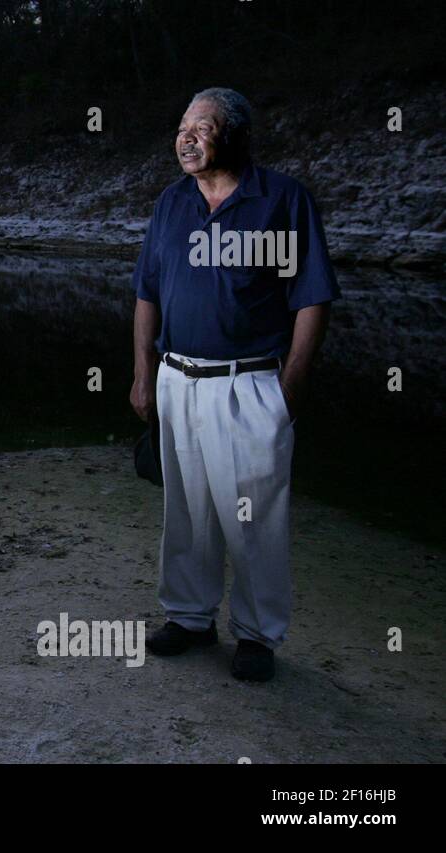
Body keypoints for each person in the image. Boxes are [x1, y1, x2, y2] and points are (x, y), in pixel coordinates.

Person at [129, 87, 340, 682]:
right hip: (177, 379)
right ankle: (191, 617)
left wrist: (291, 387)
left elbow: (312, 297)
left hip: (249, 383)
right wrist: (144, 373)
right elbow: (146, 291)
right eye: (181, 126)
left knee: (253, 517)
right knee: (187, 509)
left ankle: (256, 635)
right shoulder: (171, 203)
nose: (186, 137)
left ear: (238, 135)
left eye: (203, 126)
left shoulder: (282, 201)